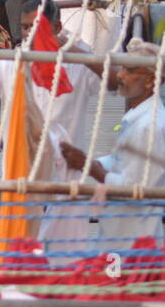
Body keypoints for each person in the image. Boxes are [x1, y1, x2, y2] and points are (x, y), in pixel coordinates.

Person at [0, 0, 104, 254]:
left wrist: (75, 52)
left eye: (37, 26)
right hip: (20, 180)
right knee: (18, 259)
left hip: (65, 183)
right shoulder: (10, 66)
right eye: (26, 27)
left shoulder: (78, 64)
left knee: (62, 263)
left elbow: (116, 81)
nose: (30, 33)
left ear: (58, 26)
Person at [59, 38, 165, 247]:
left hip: (134, 243)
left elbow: (135, 190)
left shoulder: (150, 126)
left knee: (119, 277)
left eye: (129, 70)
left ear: (150, 80)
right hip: (119, 234)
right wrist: (87, 161)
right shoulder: (138, 118)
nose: (120, 75)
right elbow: (122, 162)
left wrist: (89, 167)